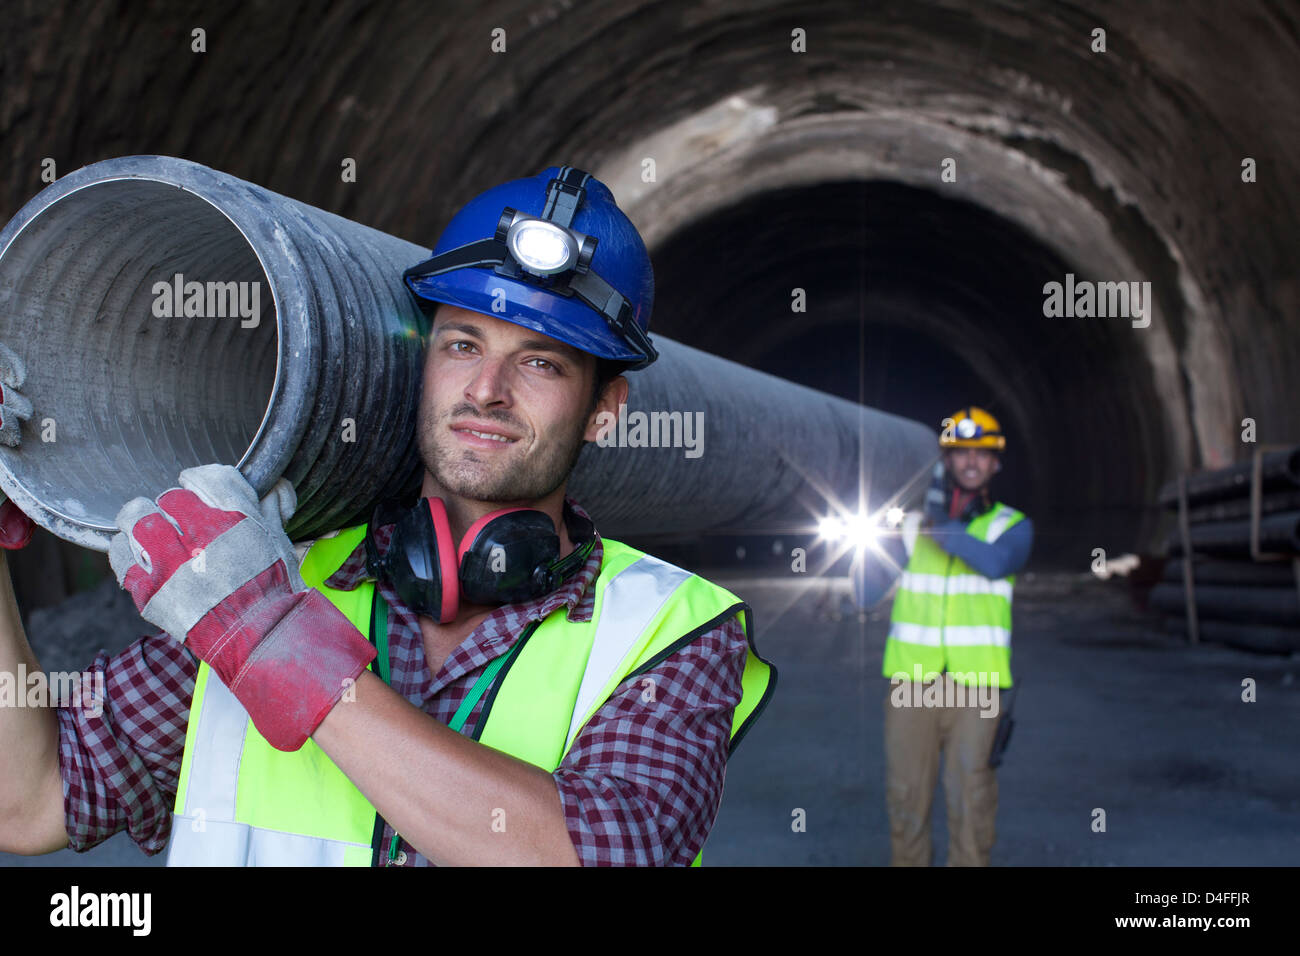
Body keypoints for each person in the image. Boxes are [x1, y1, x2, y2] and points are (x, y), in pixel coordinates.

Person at [0, 166, 774, 866]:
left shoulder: (672, 635)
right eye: (464, 343)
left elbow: (593, 855)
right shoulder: (276, 576)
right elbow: (27, 803)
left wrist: (278, 644)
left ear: (605, 409)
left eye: (541, 361)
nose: (487, 390)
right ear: (423, 359)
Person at [851, 407, 1032, 866]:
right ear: (946, 462)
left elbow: (995, 564)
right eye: (961, 453)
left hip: (978, 688)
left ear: (995, 464)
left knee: (972, 798)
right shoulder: (911, 526)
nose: (971, 461)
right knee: (905, 797)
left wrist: (940, 525)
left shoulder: (1011, 526)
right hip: (912, 685)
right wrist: (874, 539)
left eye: (982, 453)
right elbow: (864, 593)